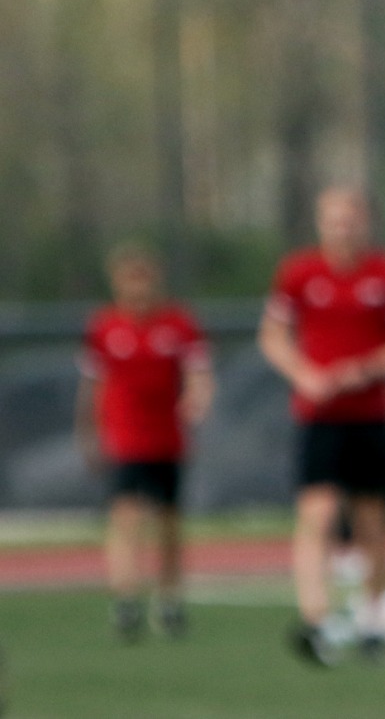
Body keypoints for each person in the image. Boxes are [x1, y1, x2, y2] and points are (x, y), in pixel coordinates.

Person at [258, 186, 385, 666]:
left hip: (371, 414)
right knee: (318, 513)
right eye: (334, 219)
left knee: (374, 521)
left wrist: (367, 369)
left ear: (365, 222)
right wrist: (304, 374)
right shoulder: (299, 273)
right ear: (320, 222)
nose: (342, 228)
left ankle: (373, 619)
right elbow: (273, 336)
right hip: (319, 417)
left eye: (350, 219)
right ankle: (316, 619)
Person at [75, 242, 214, 642]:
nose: (138, 289)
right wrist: (88, 433)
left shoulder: (179, 324)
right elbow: (92, 385)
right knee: (126, 517)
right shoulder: (104, 327)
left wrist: (197, 400)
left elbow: (199, 374)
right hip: (124, 438)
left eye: (144, 280)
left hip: (166, 439)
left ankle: (169, 599)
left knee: (168, 522)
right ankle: (126, 598)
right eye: (129, 281)